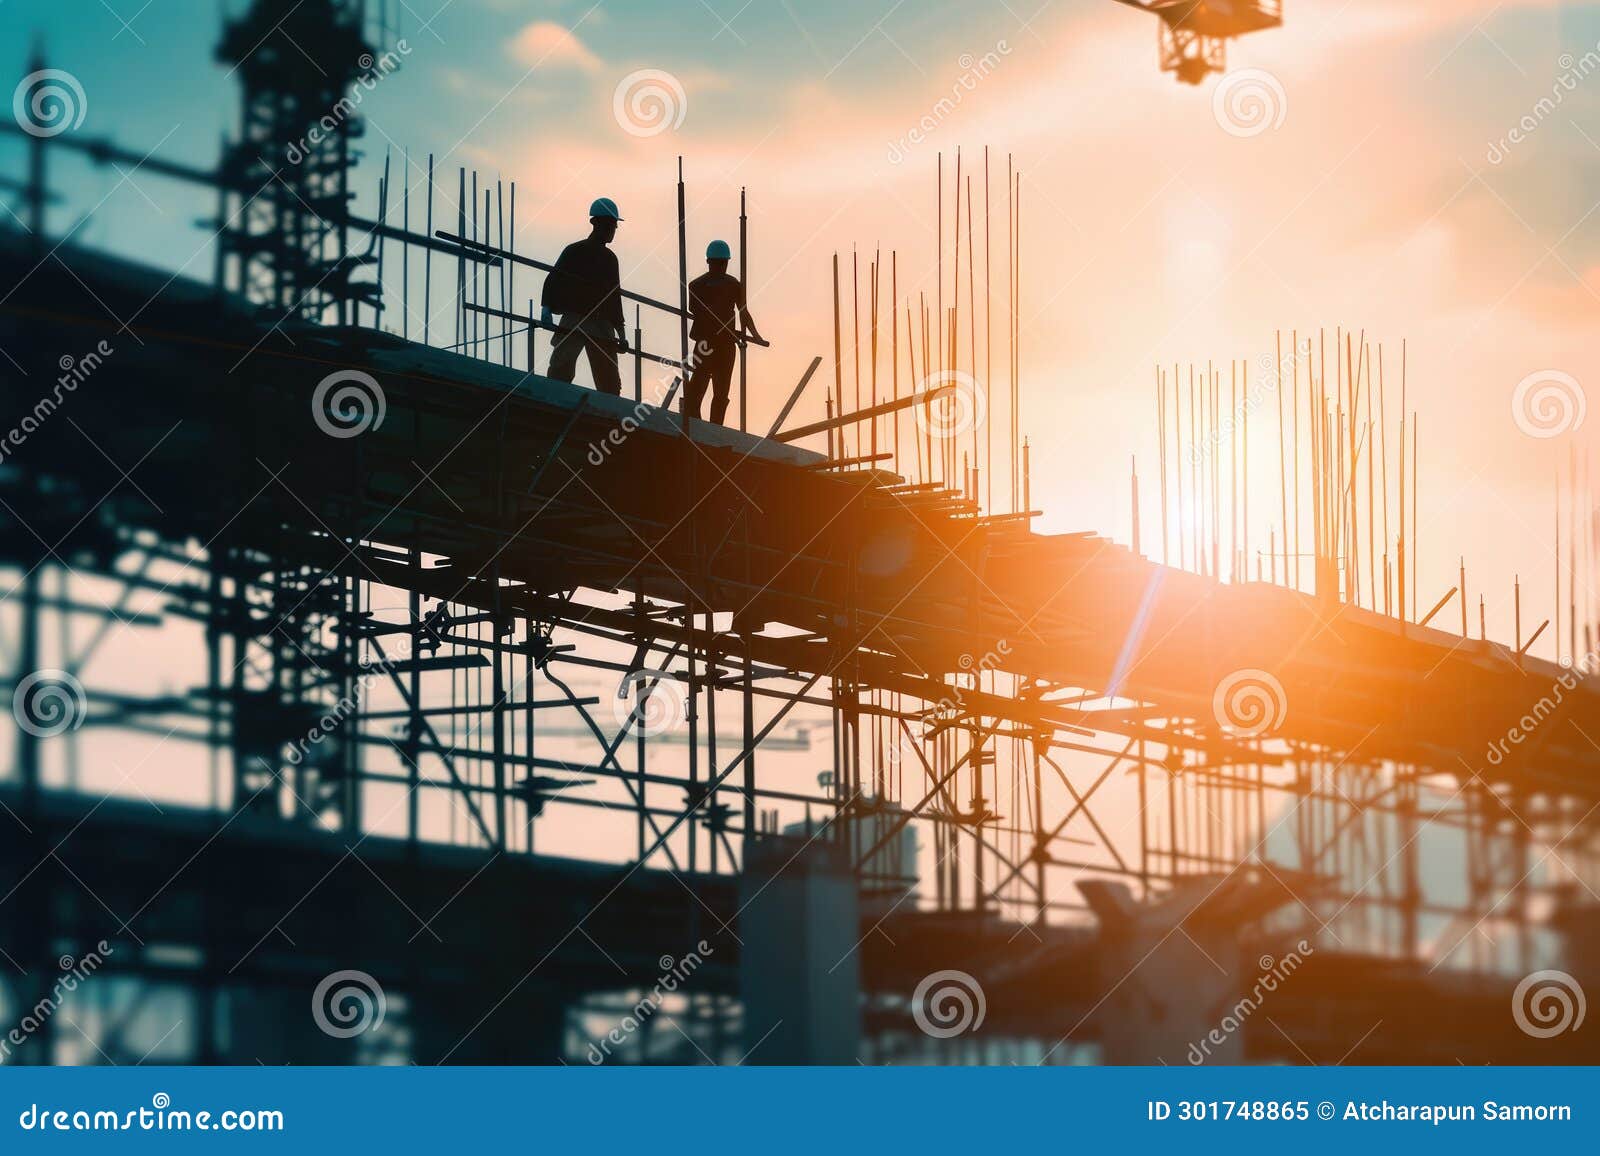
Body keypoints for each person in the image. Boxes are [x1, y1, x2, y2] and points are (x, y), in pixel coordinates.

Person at [542, 197, 627, 395]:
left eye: (613, 226)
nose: (612, 230)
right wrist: (546, 309)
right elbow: (553, 280)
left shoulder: (608, 258)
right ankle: (554, 398)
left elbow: (615, 297)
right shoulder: (575, 251)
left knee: (608, 380)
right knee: (561, 369)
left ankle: (609, 410)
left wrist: (621, 333)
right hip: (577, 317)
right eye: (609, 225)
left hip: (599, 322)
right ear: (595, 223)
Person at [684, 239, 762, 426]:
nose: (721, 267)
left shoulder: (702, 285)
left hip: (721, 343)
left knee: (716, 389)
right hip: (713, 343)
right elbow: (742, 313)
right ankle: (700, 424)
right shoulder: (700, 286)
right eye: (720, 263)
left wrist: (756, 335)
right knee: (703, 384)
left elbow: (743, 313)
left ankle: (711, 428)